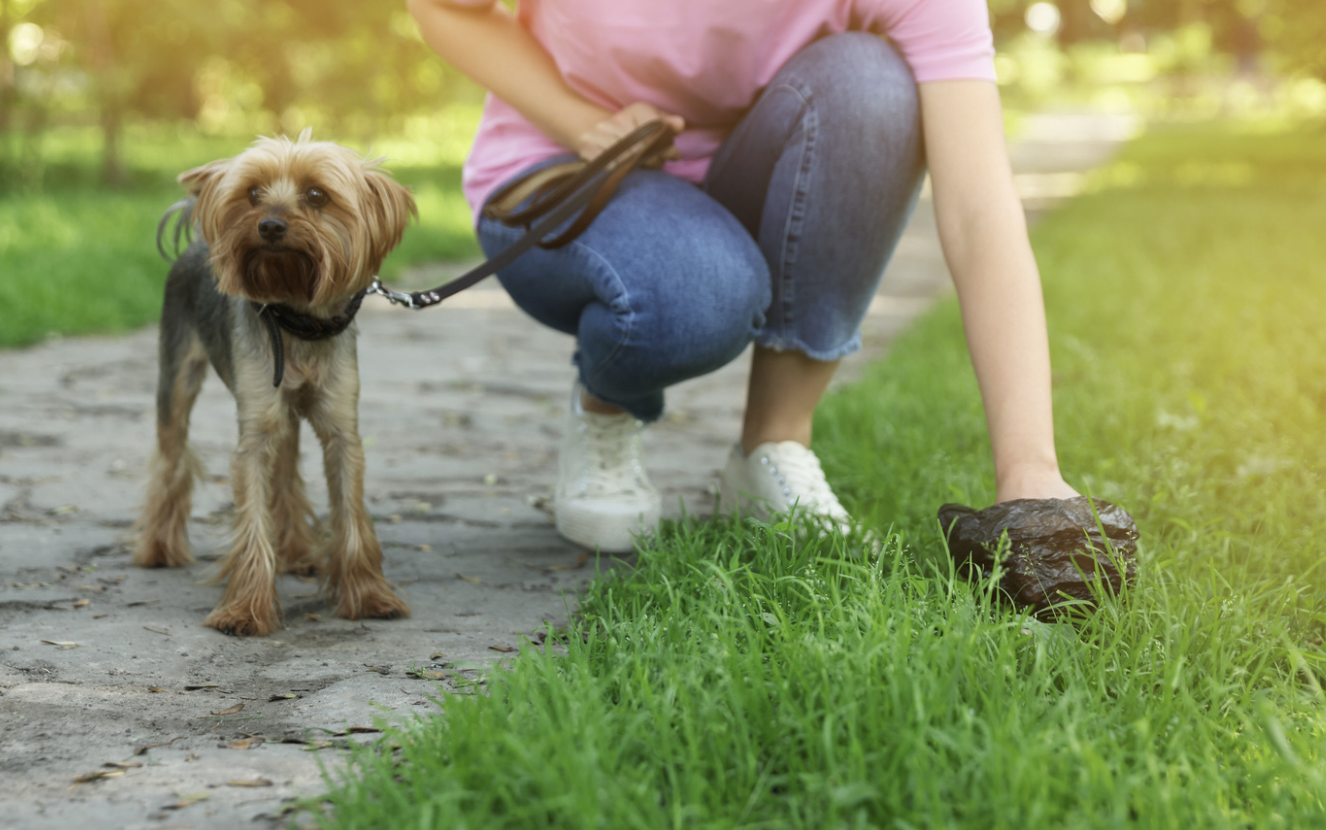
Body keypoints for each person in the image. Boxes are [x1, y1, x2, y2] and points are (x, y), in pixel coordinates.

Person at [407, 0, 1080, 553]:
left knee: (874, 83)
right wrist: (586, 125)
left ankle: (773, 446)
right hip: (564, 174)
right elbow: (444, 9)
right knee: (694, 294)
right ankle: (605, 406)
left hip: (741, 179)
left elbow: (980, 210)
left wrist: (1029, 469)